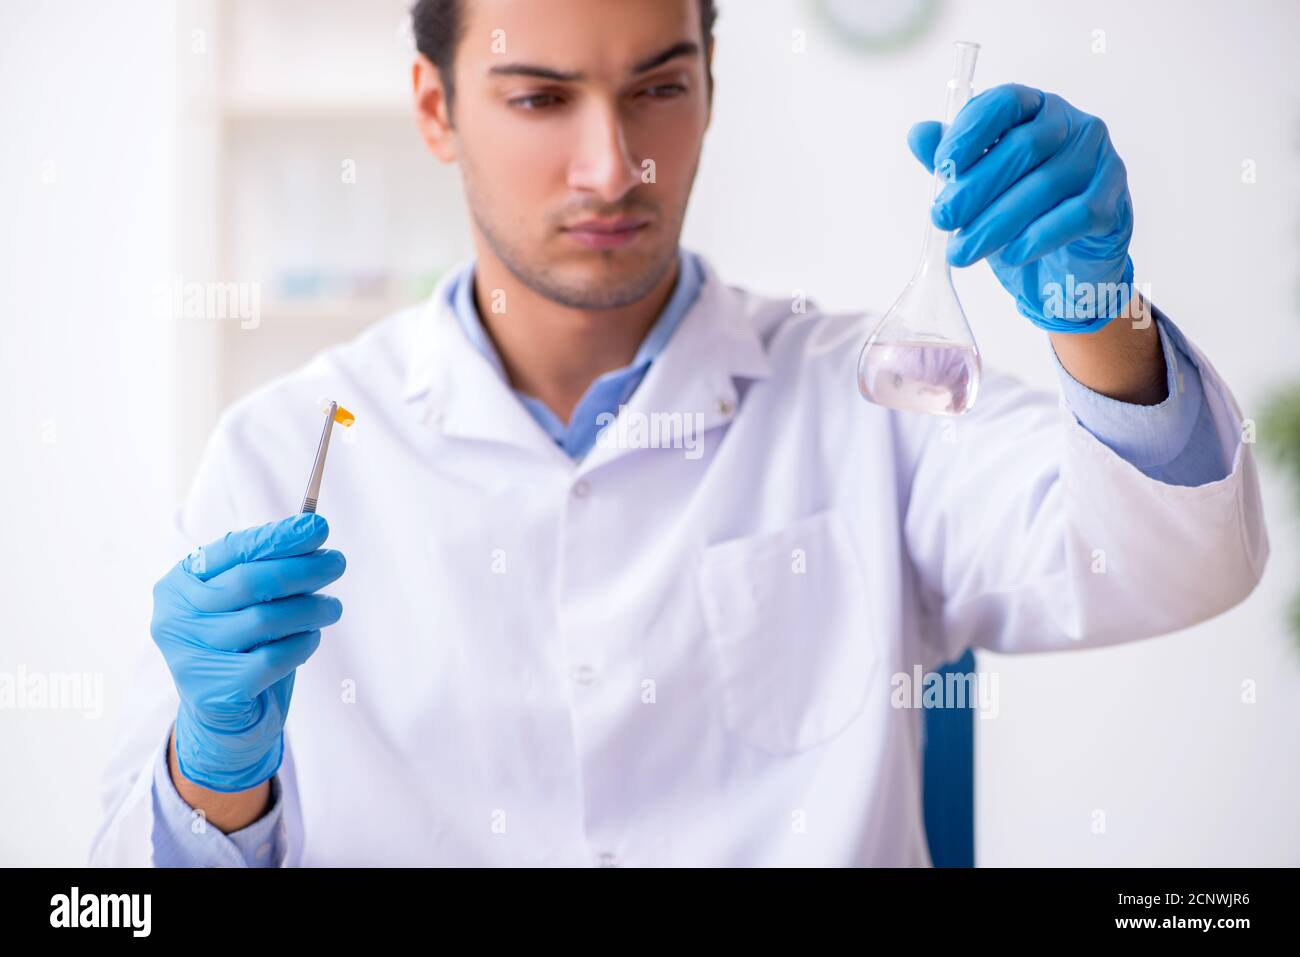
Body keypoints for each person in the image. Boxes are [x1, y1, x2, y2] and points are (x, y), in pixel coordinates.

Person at [91, 0, 1268, 867]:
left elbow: (1175, 564)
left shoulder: (865, 400)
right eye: (540, 98)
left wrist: (1095, 311)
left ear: (710, 85)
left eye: (657, 88)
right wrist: (213, 775)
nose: (613, 167)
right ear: (437, 110)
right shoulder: (281, 451)